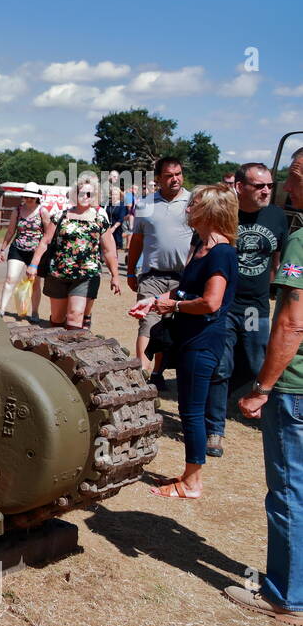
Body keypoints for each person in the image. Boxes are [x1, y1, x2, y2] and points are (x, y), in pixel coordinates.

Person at [130, 185, 239, 500]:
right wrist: (152, 303)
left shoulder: (221, 252)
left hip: (203, 341)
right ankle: (190, 474)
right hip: (191, 338)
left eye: (193, 205)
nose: (187, 209)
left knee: (191, 411)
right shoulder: (202, 245)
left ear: (209, 212)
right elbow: (182, 290)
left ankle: (192, 483)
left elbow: (211, 302)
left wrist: (173, 307)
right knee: (189, 408)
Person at [233, 155, 303, 626]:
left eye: (291, 179)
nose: (285, 189)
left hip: (296, 389)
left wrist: (263, 386)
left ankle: (286, 596)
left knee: (289, 491)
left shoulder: (298, 238)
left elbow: (293, 322)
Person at [201, 163, 289, 458]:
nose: (267, 191)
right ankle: (215, 429)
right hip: (224, 304)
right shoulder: (224, 213)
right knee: (220, 367)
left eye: (269, 186)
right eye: (259, 186)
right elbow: (202, 251)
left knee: (255, 365)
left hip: (256, 307)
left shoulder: (277, 216)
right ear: (240, 187)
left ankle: (233, 405)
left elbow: (278, 255)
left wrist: (280, 290)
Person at [127, 157, 192, 390]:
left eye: (178, 174)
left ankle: (157, 373)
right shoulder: (145, 204)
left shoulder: (194, 201)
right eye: (169, 175)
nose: (175, 179)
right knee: (147, 322)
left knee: (168, 327)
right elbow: (137, 240)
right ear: (158, 179)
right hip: (152, 275)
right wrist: (131, 271)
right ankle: (140, 372)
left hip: (183, 277)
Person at [29, 177, 121, 328]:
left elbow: (109, 250)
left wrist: (115, 275)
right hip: (58, 273)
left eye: (89, 194)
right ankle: (56, 348)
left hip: (87, 275)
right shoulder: (61, 216)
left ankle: (72, 348)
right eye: (81, 193)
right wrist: (33, 264)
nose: (85, 197)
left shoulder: (100, 220)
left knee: (75, 315)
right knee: (58, 318)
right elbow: (45, 241)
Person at [0, 184, 49, 320]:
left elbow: (48, 234)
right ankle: (1, 309)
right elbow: (10, 231)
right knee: (10, 278)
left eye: (32, 197)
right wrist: (3, 248)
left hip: (36, 253)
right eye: (26, 196)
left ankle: (35, 312)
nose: (29, 199)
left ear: (37, 198)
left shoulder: (42, 212)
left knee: (35, 283)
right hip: (17, 248)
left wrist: (45, 253)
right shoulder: (17, 210)